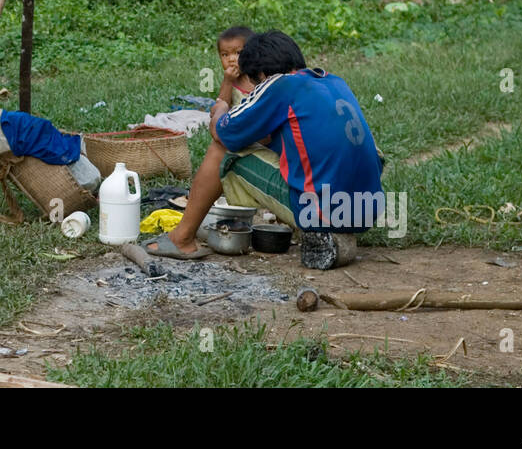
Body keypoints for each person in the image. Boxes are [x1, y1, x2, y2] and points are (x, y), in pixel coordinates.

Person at [147, 31, 383, 270]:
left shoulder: (278, 85)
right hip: (365, 211)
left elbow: (223, 133)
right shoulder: (333, 81)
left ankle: (181, 239)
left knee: (222, 150)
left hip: (322, 211)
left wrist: (220, 109)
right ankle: (321, 229)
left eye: (255, 84)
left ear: (261, 76)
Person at [145, 26, 254, 261]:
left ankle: (183, 236)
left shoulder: (256, 79)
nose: (231, 59)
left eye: (238, 53)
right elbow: (221, 103)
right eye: (225, 55)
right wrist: (227, 81)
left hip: (249, 137)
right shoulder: (232, 80)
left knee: (220, 149)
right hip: (236, 134)